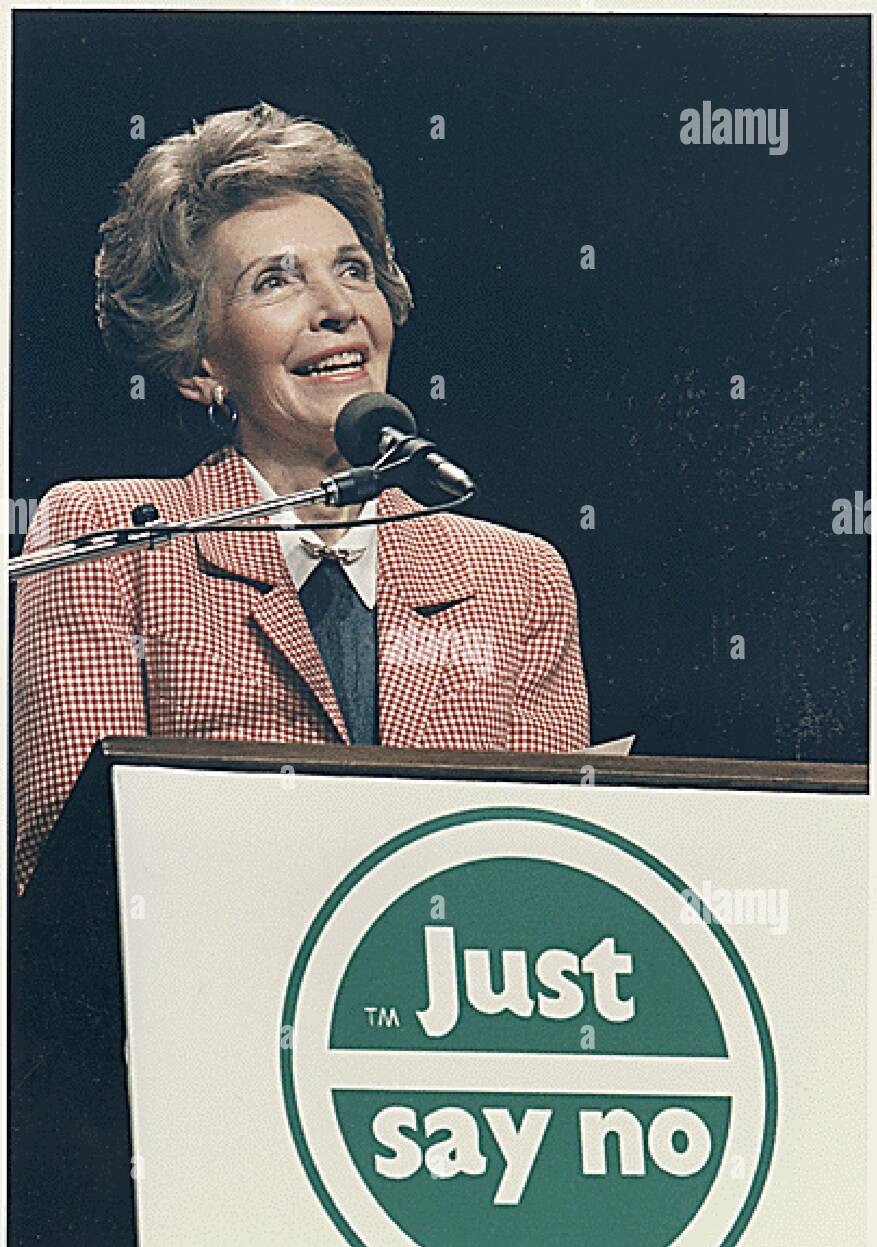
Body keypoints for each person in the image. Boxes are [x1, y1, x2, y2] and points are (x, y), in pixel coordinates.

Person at [12, 101, 590, 894]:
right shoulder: (111, 540)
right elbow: (76, 870)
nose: (336, 307)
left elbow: (555, 878)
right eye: (275, 281)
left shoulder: (515, 577)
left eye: (353, 269)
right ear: (197, 363)